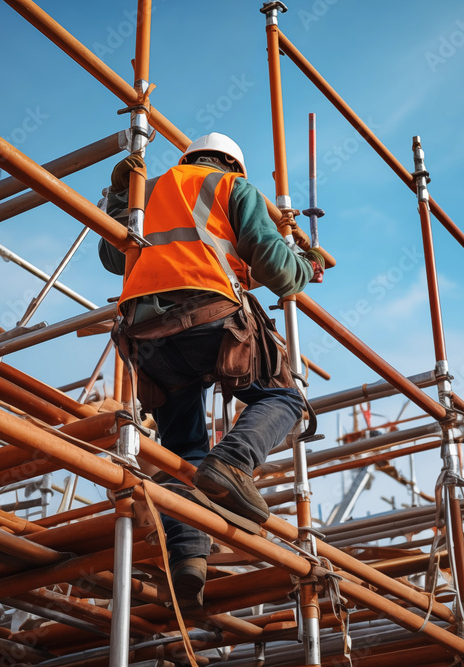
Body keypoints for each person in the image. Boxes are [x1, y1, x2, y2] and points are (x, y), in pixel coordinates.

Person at [98, 132, 324, 609]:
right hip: (206, 316)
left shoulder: (153, 189)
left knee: (183, 449)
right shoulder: (231, 188)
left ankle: (188, 558)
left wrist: (119, 197)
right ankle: (235, 463)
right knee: (284, 399)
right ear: (234, 166)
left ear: (189, 157)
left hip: (145, 335)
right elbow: (278, 270)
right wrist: (305, 265)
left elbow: (112, 254)